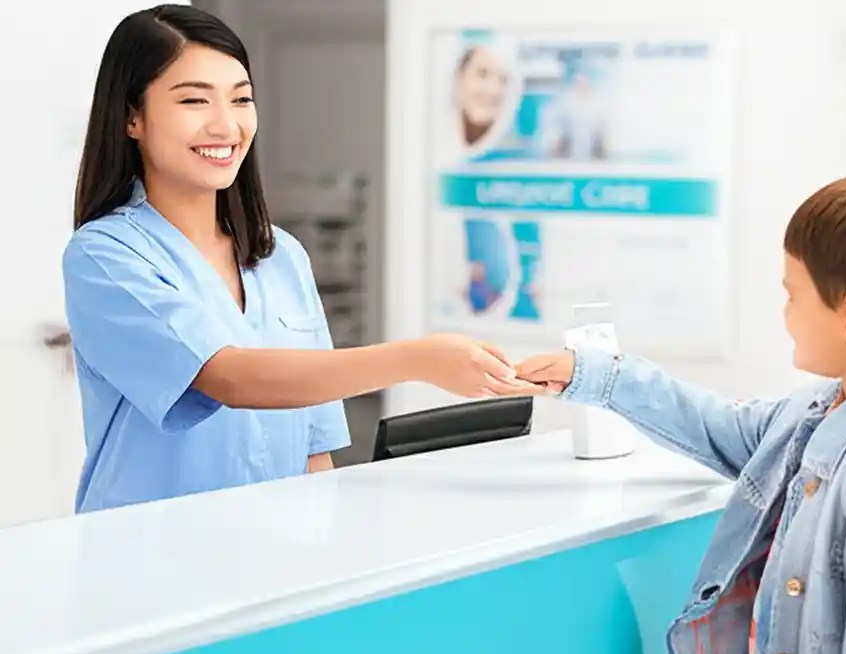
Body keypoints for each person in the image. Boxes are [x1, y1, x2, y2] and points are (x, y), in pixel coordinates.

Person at [517, 169, 846, 654]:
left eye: (792, 295)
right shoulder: (811, 414)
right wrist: (595, 375)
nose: (784, 313)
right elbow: (715, 425)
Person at [64, 5, 532, 513]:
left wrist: (322, 545)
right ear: (132, 117)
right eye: (194, 100)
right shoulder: (105, 255)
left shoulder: (281, 255)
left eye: (241, 99)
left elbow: (315, 445)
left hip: (272, 545)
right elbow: (229, 377)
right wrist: (418, 359)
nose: (225, 124)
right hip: (148, 549)